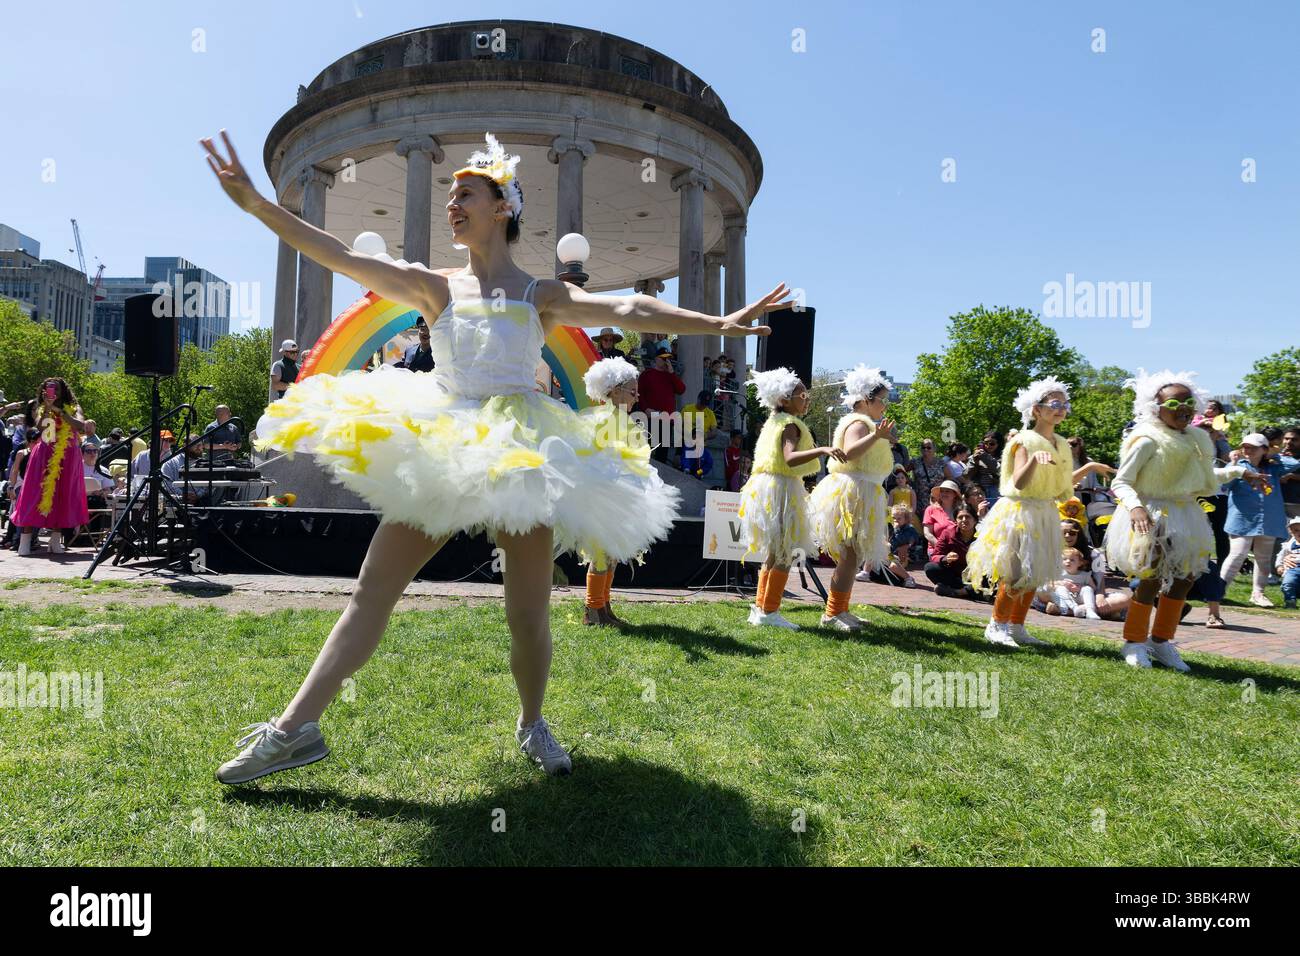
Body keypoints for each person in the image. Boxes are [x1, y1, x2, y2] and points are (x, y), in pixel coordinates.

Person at [202, 129, 785, 782]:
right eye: (449, 195)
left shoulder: (542, 295)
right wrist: (255, 203)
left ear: (503, 205)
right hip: (441, 443)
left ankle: (533, 721)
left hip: (521, 452)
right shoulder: (433, 286)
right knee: (371, 593)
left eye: (466, 194)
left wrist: (718, 324)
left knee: (527, 613)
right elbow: (338, 255)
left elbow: (628, 304)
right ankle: (291, 731)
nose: (452, 204)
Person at [1103, 370, 1258, 670]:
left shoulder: (1196, 440)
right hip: (1152, 513)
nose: (1183, 409)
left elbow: (1201, 478)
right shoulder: (1147, 440)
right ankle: (1133, 641)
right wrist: (1135, 508)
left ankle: (1160, 641)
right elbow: (1122, 481)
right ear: (1156, 408)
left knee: (1185, 578)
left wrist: (1239, 472)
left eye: (1188, 403)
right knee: (1150, 578)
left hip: (1185, 514)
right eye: (1173, 404)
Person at [964, 378, 1075, 648]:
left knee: (1034, 573)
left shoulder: (1061, 443)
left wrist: (1090, 468)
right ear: (1037, 410)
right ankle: (997, 625)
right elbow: (1020, 482)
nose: (1061, 409)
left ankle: (1017, 626)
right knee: (1015, 572)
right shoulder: (1025, 440)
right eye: (1055, 403)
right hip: (1020, 510)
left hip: (1045, 511)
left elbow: (1063, 489)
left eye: (1064, 403)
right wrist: (1035, 461)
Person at [738, 368, 844, 629]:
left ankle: (762, 608)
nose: (807, 399)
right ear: (784, 399)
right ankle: (770, 610)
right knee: (784, 551)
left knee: (773, 552)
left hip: (768, 486)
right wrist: (823, 449)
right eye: (802, 395)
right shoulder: (789, 425)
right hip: (781, 488)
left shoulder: (773, 421)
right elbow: (789, 458)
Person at [578, 357, 670, 627]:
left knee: (613, 553)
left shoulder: (624, 420)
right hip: (606, 496)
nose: (637, 396)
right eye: (632, 391)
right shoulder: (604, 419)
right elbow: (599, 458)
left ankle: (603, 607)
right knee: (601, 552)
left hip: (621, 495)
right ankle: (593, 610)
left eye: (637, 391)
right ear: (615, 391)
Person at [809, 366, 896, 630]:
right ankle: (833, 612)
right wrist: (876, 436)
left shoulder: (867, 424)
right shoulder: (858, 422)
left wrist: (880, 437)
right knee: (849, 555)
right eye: (881, 400)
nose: (884, 405)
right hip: (852, 493)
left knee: (853, 556)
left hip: (863, 491)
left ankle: (840, 609)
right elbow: (849, 452)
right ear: (865, 400)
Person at [12, 378, 90, 557]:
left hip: (68, 456)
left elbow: (81, 426)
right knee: (34, 493)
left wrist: (61, 412)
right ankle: (24, 541)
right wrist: (48, 409)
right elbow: (43, 430)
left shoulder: (74, 407)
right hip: (45, 454)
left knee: (63, 495)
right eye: (48, 387)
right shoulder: (41, 409)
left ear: (62, 390)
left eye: (55, 387)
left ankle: (55, 541)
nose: (51, 390)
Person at [1219, 432, 1297, 606]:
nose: (1247, 450)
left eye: (1253, 447)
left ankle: (1258, 594)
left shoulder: (1273, 467)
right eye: (1245, 446)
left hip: (1268, 519)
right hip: (1242, 518)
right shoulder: (1238, 465)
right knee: (1237, 554)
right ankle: (1218, 591)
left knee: (1263, 558)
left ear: (1264, 449)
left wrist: (1273, 454)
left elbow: (1295, 463)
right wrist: (1232, 463)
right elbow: (1224, 484)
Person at [637, 345, 685, 462]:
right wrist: (646, 409)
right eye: (663, 358)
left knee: (662, 455)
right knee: (646, 452)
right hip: (651, 418)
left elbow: (681, 389)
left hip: (666, 420)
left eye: (667, 359)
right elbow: (640, 393)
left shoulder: (670, 376)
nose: (666, 361)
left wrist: (672, 373)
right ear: (656, 359)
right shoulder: (647, 374)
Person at [926, 506, 978, 598]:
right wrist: (945, 558)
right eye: (960, 517)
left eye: (968, 517)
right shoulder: (948, 533)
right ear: (955, 521)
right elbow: (935, 556)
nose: (964, 520)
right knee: (930, 567)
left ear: (975, 520)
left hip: (975, 575)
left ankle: (958, 592)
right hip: (955, 575)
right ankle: (968, 591)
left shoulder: (983, 535)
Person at [911, 439, 946, 518]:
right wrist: (908, 482)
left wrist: (943, 486)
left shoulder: (941, 462)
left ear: (934, 449)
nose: (926, 449)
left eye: (929, 447)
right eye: (923, 447)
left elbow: (950, 477)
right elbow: (901, 471)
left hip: (937, 499)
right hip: (920, 501)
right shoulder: (915, 462)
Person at [966, 432, 1003, 504]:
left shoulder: (1003, 457)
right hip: (978, 491)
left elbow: (1000, 471)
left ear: (999, 444)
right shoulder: (975, 456)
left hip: (995, 492)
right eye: (985, 443)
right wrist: (974, 461)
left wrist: (986, 457)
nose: (988, 445)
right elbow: (966, 475)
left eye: (992, 443)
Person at [1277, 515, 1300, 609]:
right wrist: (1279, 565)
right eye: (1296, 530)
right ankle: (1290, 601)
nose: (1299, 533)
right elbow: (1280, 555)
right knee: (1287, 583)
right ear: (1291, 532)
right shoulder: (1289, 545)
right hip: (1293, 569)